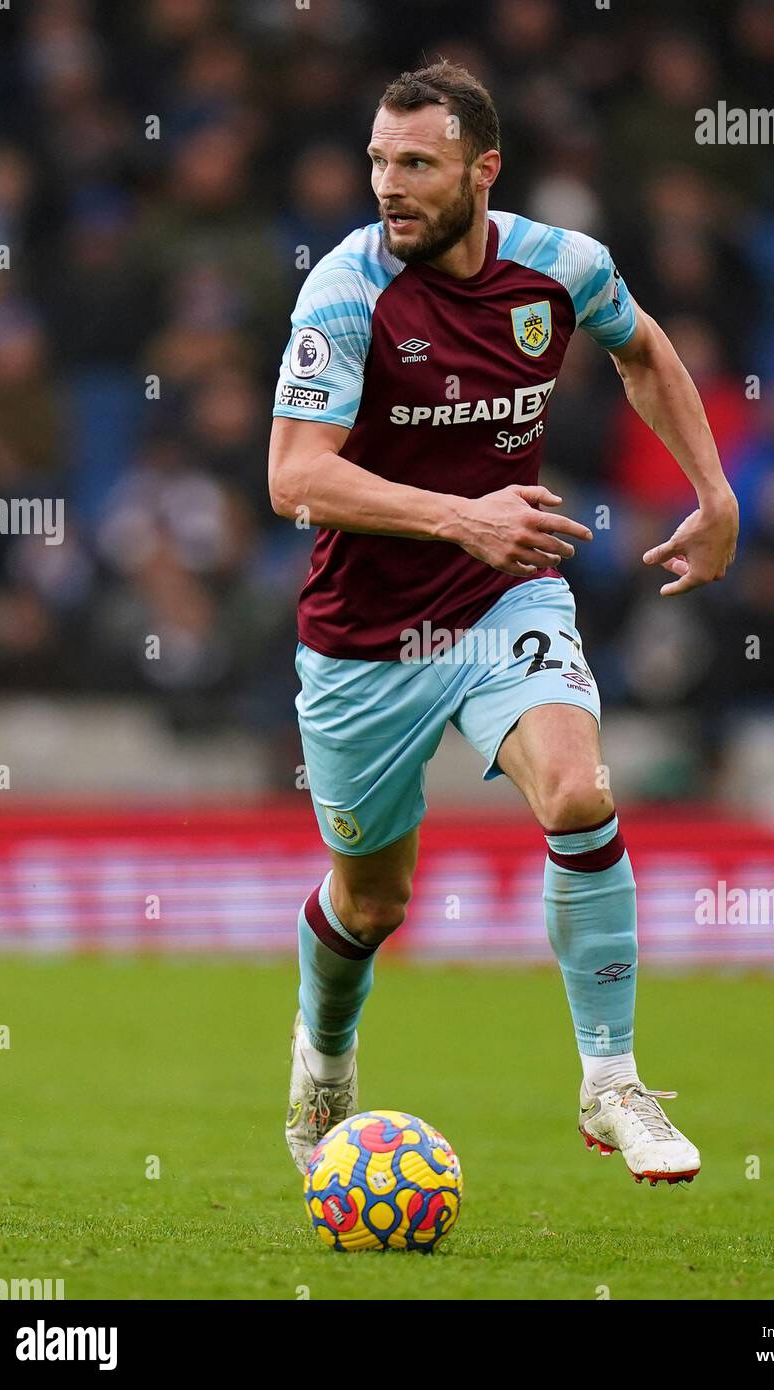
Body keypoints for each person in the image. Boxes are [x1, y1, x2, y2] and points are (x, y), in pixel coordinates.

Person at [268, 61, 738, 1188]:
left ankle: (613, 1080)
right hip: (363, 637)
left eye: (417, 164)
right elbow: (294, 476)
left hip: (502, 598)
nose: (390, 184)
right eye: (380, 161)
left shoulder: (562, 266)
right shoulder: (345, 290)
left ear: (483, 169)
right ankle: (324, 1050)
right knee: (373, 900)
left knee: (579, 792)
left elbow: (643, 350)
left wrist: (715, 495)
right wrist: (456, 515)